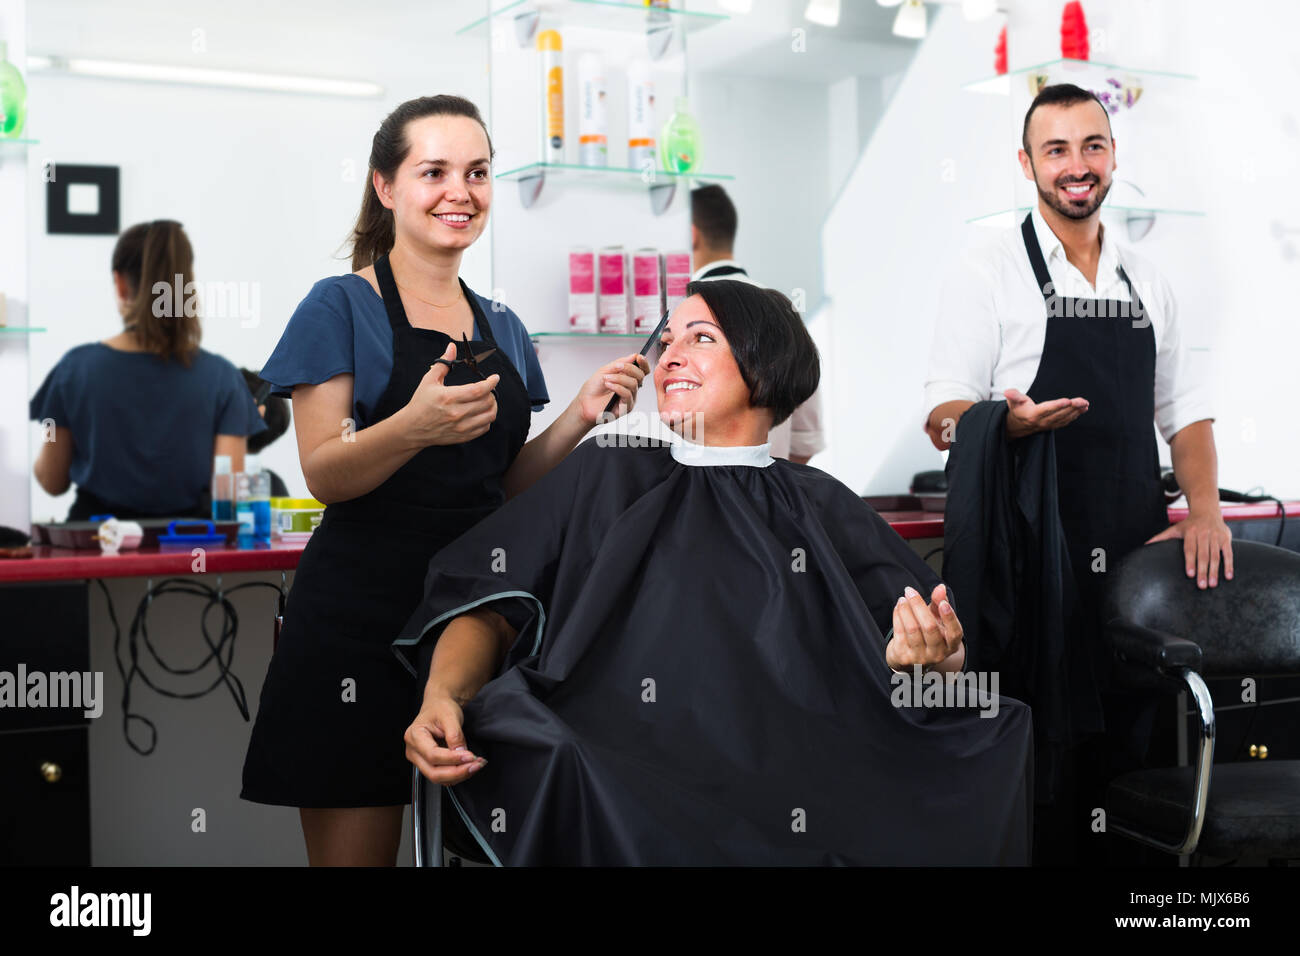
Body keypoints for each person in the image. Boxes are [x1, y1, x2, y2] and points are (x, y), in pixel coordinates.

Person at [397, 279, 1033, 865]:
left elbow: (925, 660)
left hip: (796, 755)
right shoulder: (609, 470)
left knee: (996, 724)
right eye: (667, 339)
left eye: (701, 338)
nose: (670, 355)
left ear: (766, 361)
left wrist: (929, 662)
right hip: (623, 755)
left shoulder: (822, 503)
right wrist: (441, 695)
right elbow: (486, 599)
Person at [239, 95, 649, 866]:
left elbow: (503, 490)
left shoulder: (503, 326)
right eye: (434, 172)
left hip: (474, 618)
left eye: (477, 172)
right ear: (387, 187)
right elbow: (324, 471)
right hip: (356, 622)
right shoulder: (340, 306)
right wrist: (412, 427)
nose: (460, 191)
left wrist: (578, 420)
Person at [922, 83, 1230, 864]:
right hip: (1030, 562)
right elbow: (942, 417)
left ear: (1113, 157)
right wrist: (1007, 423)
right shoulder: (986, 267)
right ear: (1026, 164)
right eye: (1056, 149)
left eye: (1092, 145)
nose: (1077, 164)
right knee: (1039, 770)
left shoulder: (1147, 280)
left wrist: (1204, 510)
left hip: (1131, 561)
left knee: (1132, 750)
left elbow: (1185, 413)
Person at [30, 220, 266, 521]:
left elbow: (52, 480)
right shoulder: (222, 378)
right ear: (186, 285)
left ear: (120, 283)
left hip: (96, 552)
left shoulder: (73, 370)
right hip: (186, 551)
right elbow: (227, 496)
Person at [690, 184, 825, 464]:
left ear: (691, 235)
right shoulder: (783, 311)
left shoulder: (682, 315)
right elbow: (805, 439)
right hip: (770, 500)